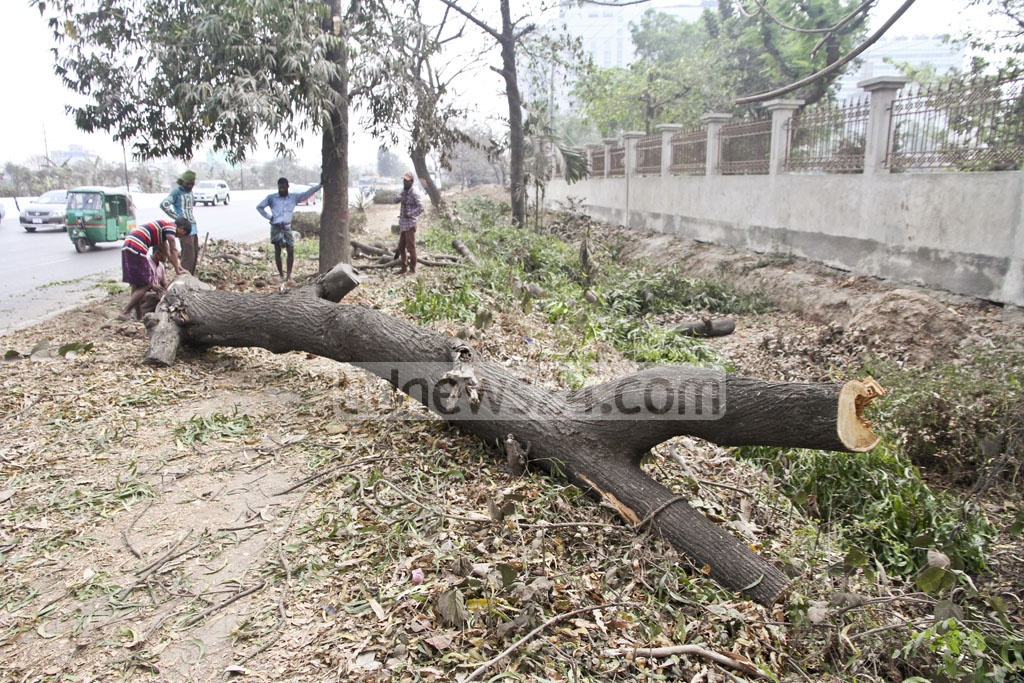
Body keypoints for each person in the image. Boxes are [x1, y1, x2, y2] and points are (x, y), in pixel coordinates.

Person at [119, 217, 190, 321]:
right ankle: (125, 311)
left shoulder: (162, 230)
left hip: (128, 245)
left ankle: (138, 315)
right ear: (181, 229)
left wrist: (178, 267)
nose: (179, 237)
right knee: (146, 284)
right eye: (182, 235)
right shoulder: (170, 228)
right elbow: (173, 249)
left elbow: (168, 253)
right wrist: (178, 271)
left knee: (137, 283)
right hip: (137, 247)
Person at [256, 177, 322, 283]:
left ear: (287, 187)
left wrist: (320, 185)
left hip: (287, 227)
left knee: (290, 250)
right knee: (278, 251)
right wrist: (269, 217)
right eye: (280, 187)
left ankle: (289, 275)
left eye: (284, 187)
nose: (282, 189)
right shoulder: (272, 198)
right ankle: (281, 274)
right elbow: (259, 207)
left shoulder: (293, 198)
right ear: (278, 187)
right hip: (276, 227)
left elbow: (307, 194)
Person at [160, 170, 199, 274]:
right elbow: (164, 205)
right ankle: (183, 278)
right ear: (182, 182)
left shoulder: (190, 192)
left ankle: (191, 276)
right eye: (188, 183)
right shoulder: (176, 192)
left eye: (192, 184)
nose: (190, 186)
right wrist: (178, 218)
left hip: (193, 227)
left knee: (194, 255)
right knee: (188, 256)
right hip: (184, 229)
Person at [394, 172, 424, 274]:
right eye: (404, 180)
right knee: (401, 247)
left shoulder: (414, 193)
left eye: (407, 181)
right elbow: (395, 199)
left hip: (410, 224)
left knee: (411, 248)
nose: (405, 182)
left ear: (411, 182)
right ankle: (404, 267)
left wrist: (410, 214)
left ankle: (412, 269)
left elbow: (421, 208)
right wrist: (400, 198)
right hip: (403, 224)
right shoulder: (403, 191)